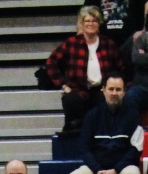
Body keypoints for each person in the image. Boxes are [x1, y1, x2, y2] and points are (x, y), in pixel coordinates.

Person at [67, 76, 144, 174]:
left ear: (124, 92)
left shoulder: (133, 116)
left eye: (118, 90)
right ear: (103, 90)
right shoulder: (91, 116)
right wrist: (98, 171)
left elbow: (136, 150)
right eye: (111, 89)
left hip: (121, 170)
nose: (114, 93)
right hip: (97, 172)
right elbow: (85, 149)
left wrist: (115, 170)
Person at [44, 7, 125, 137]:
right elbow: (51, 63)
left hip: (101, 90)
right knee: (71, 100)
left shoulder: (108, 44)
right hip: (78, 90)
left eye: (94, 21)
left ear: (99, 23)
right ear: (82, 24)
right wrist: (63, 85)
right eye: (87, 21)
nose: (90, 24)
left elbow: (122, 68)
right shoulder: (71, 43)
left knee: (107, 104)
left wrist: (113, 87)